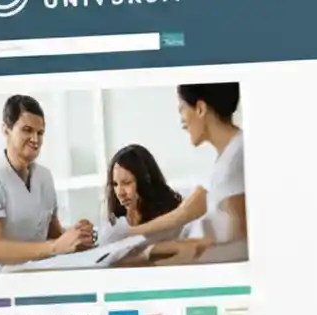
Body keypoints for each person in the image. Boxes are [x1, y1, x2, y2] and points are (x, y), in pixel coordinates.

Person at [100, 83, 246, 254]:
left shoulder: (237, 160)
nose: (182, 121)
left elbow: (234, 245)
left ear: (200, 109)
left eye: (182, 109)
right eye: (115, 184)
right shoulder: (227, 160)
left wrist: (143, 247)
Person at [0, 94, 91, 275]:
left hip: (39, 271)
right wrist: (54, 247)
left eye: (40, 132)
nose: (35, 139)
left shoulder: (44, 176)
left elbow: (53, 233)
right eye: (27, 130)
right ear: (6, 130)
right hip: (2, 279)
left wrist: (77, 235)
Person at [104, 144, 185, 240]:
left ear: (145, 181)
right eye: (115, 184)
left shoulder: (171, 215)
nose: (120, 193)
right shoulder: (117, 219)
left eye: (127, 183)